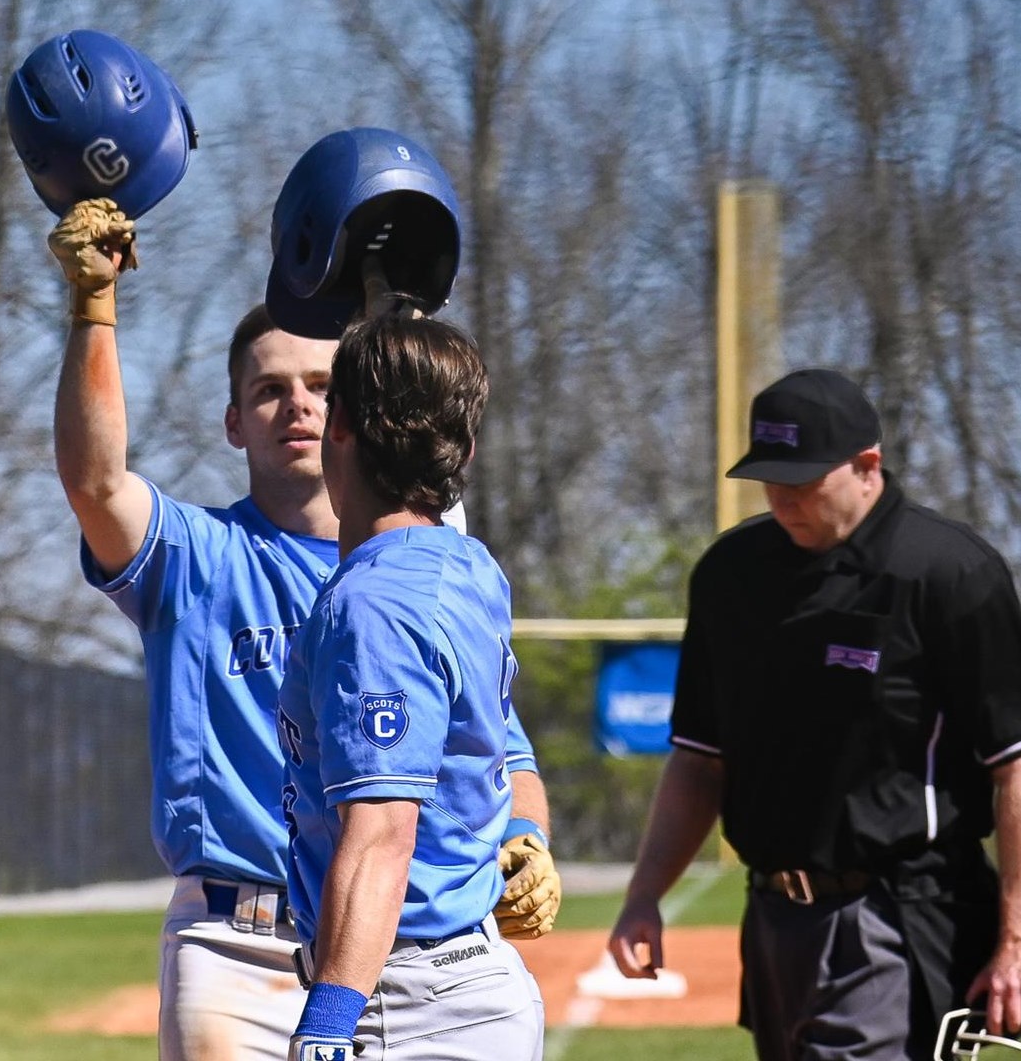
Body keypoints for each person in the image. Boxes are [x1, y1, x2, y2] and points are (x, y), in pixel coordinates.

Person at [50, 199, 557, 1060]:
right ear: (232, 421)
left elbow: (500, 748)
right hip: (239, 942)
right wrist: (94, 308)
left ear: (354, 416)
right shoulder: (200, 556)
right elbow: (97, 483)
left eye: (321, 387)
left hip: (403, 946)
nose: (296, 405)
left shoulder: (424, 566)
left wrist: (525, 835)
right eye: (267, 389)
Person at [607, 368, 1021, 1060]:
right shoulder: (730, 574)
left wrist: (1013, 941)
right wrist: (643, 893)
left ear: (866, 466)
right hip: (770, 919)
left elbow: (1012, 768)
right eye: (769, 479)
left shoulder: (945, 573)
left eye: (803, 480)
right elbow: (699, 759)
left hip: (893, 915)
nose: (782, 498)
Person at [277, 313, 544, 1060]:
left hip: (405, 1002)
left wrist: (329, 1024)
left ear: (342, 431)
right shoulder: (466, 565)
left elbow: (382, 834)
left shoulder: (375, 604)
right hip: (450, 985)